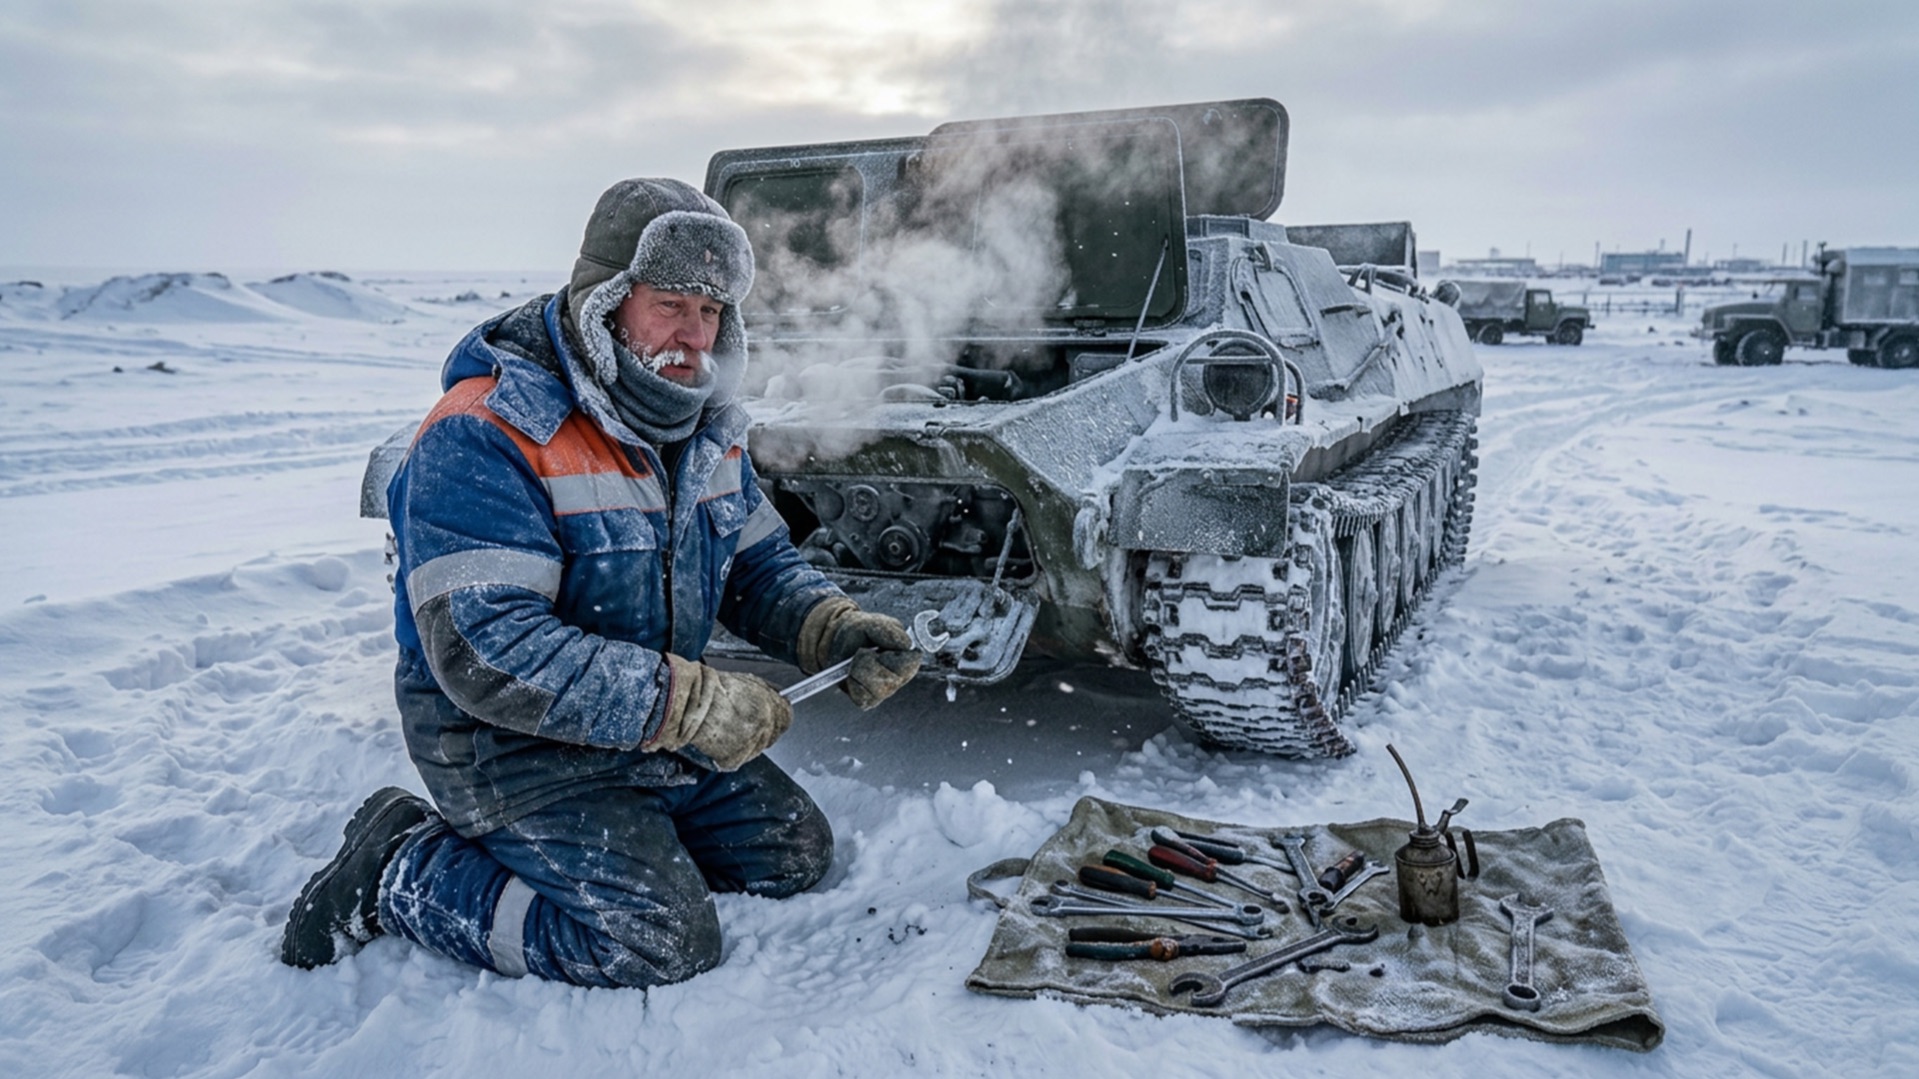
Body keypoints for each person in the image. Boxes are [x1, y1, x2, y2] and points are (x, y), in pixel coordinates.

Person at [280, 178, 921, 988]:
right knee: (657, 940)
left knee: (791, 853)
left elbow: (754, 563)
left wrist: (826, 626)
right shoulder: (487, 431)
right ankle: (400, 866)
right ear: (606, 300)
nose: (694, 335)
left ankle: (625, 827)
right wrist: (684, 703)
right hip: (507, 745)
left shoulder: (701, 425)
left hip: (641, 729)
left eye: (711, 311)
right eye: (670, 304)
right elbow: (488, 650)